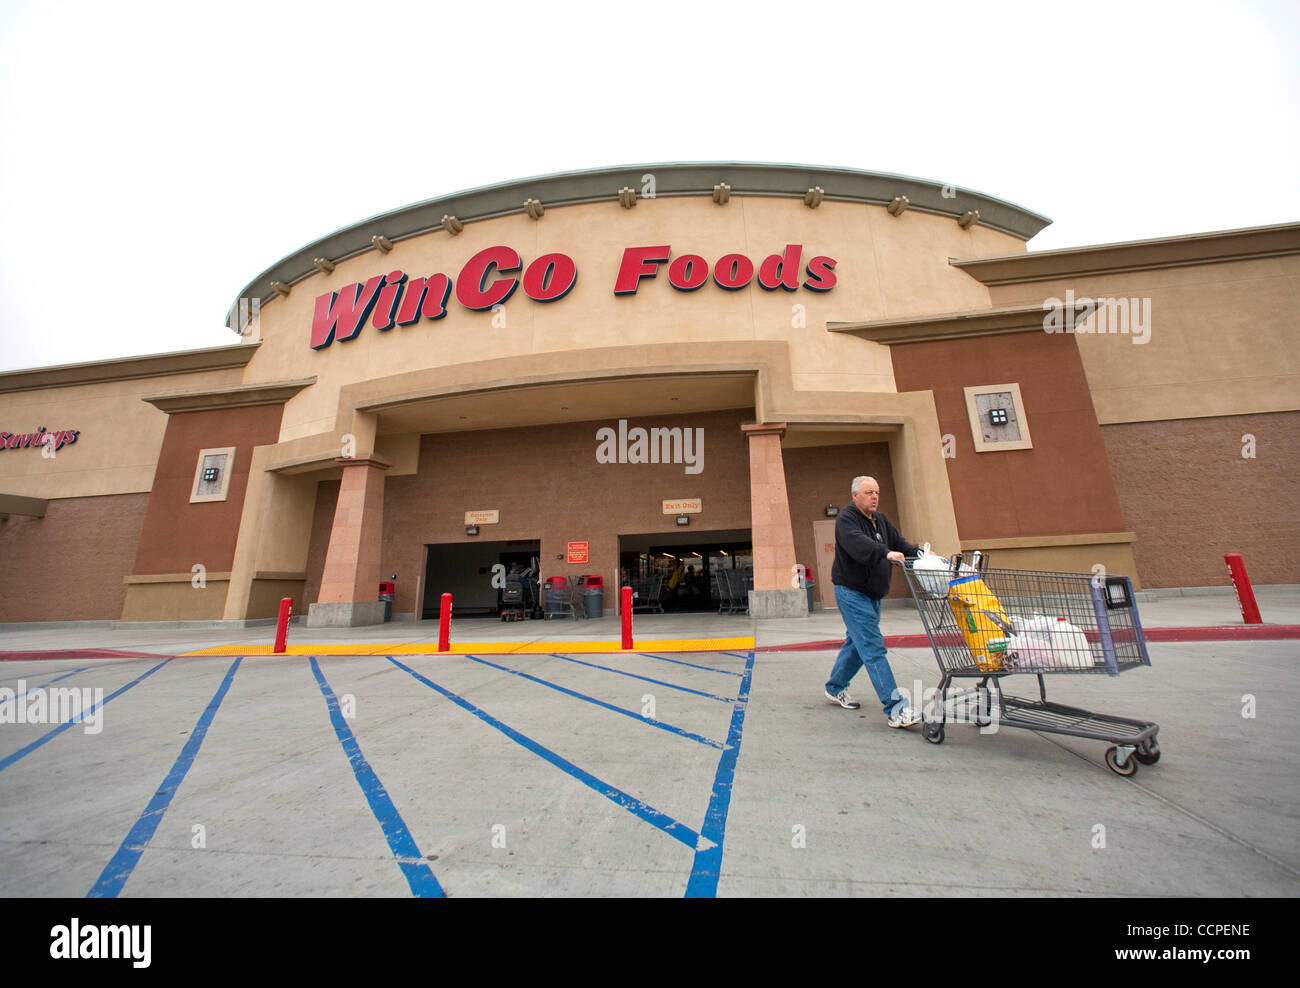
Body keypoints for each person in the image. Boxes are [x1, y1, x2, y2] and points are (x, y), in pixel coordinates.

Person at [824, 476, 923, 727]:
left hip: (873, 594)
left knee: (858, 644)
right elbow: (859, 544)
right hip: (852, 592)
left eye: (877, 492)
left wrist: (921, 554)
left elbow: (898, 543)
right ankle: (896, 708)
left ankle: (835, 687)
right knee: (872, 646)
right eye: (869, 492)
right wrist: (884, 552)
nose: (875, 496)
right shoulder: (846, 520)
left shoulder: (881, 520)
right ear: (855, 495)